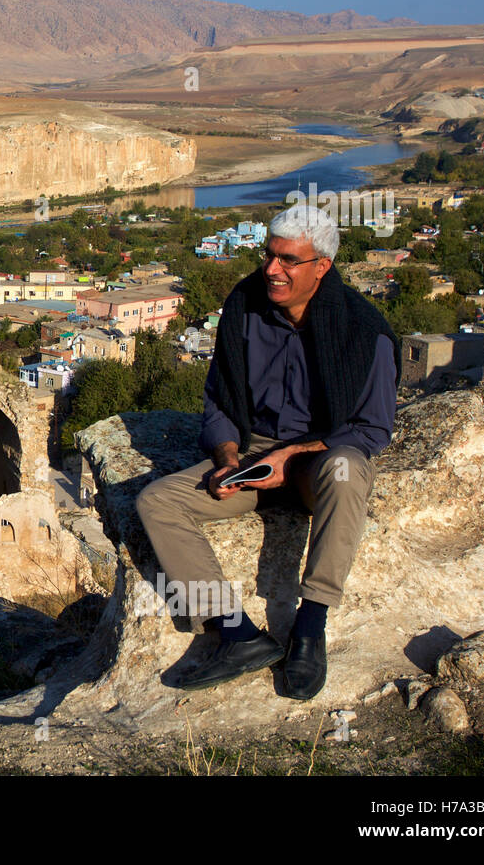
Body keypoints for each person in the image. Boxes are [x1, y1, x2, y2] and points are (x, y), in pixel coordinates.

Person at [135, 205, 398, 700]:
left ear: (322, 265)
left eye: (289, 261)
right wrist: (229, 457)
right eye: (269, 256)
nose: (273, 270)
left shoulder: (364, 332)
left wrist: (293, 457)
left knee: (347, 471)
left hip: (318, 461)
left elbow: (371, 430)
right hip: (253, 455)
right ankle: (237, 634)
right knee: (157, 501)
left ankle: (310, 624)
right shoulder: (244, 308)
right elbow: (219, 399)